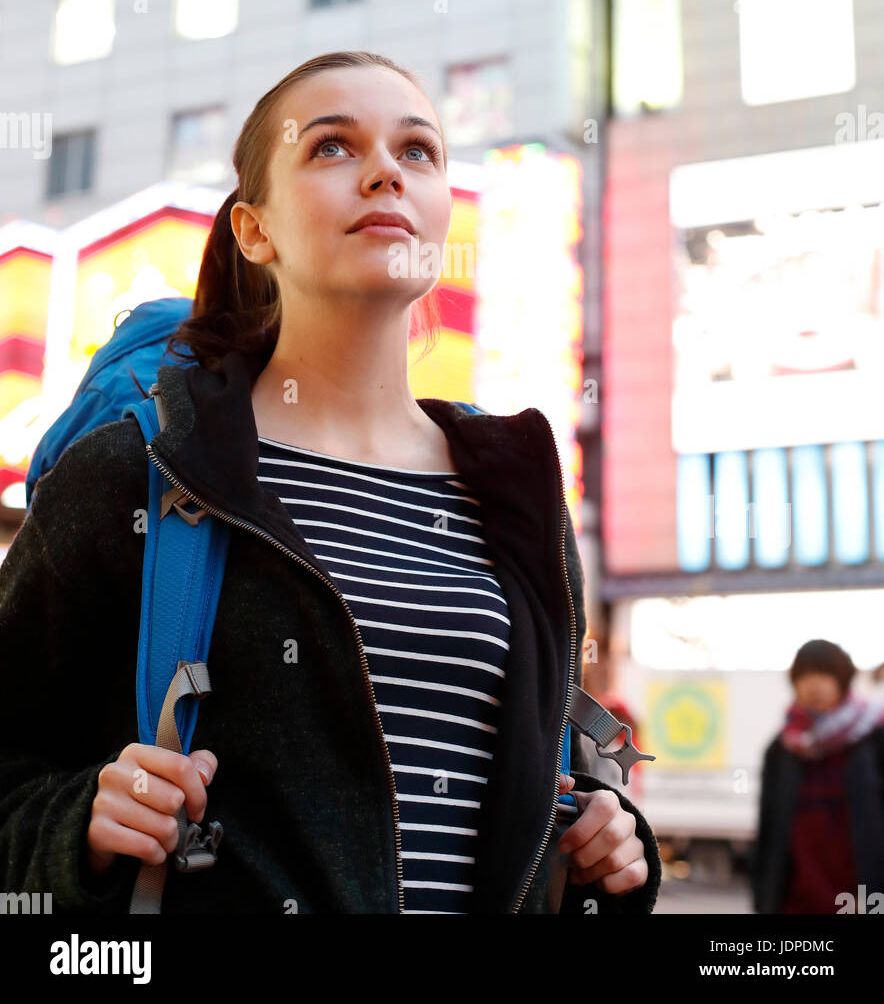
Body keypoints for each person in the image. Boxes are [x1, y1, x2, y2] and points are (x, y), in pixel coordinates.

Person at [0, 50, 661, 915]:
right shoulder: (140, 473)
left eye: (417, 151)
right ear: (253, 230)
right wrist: (80, 827)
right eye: (332, 147)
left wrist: (607, 847)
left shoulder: (517, 500)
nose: (387, 171)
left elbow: (540, 799)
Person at [750, 638, 884, 914]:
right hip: (795, 902)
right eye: (806, 675)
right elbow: (768, 832)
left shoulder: (873, 739)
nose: (815, 685)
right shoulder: (781, 750)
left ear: (843, 682)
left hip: (861, 902)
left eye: (826, 674)